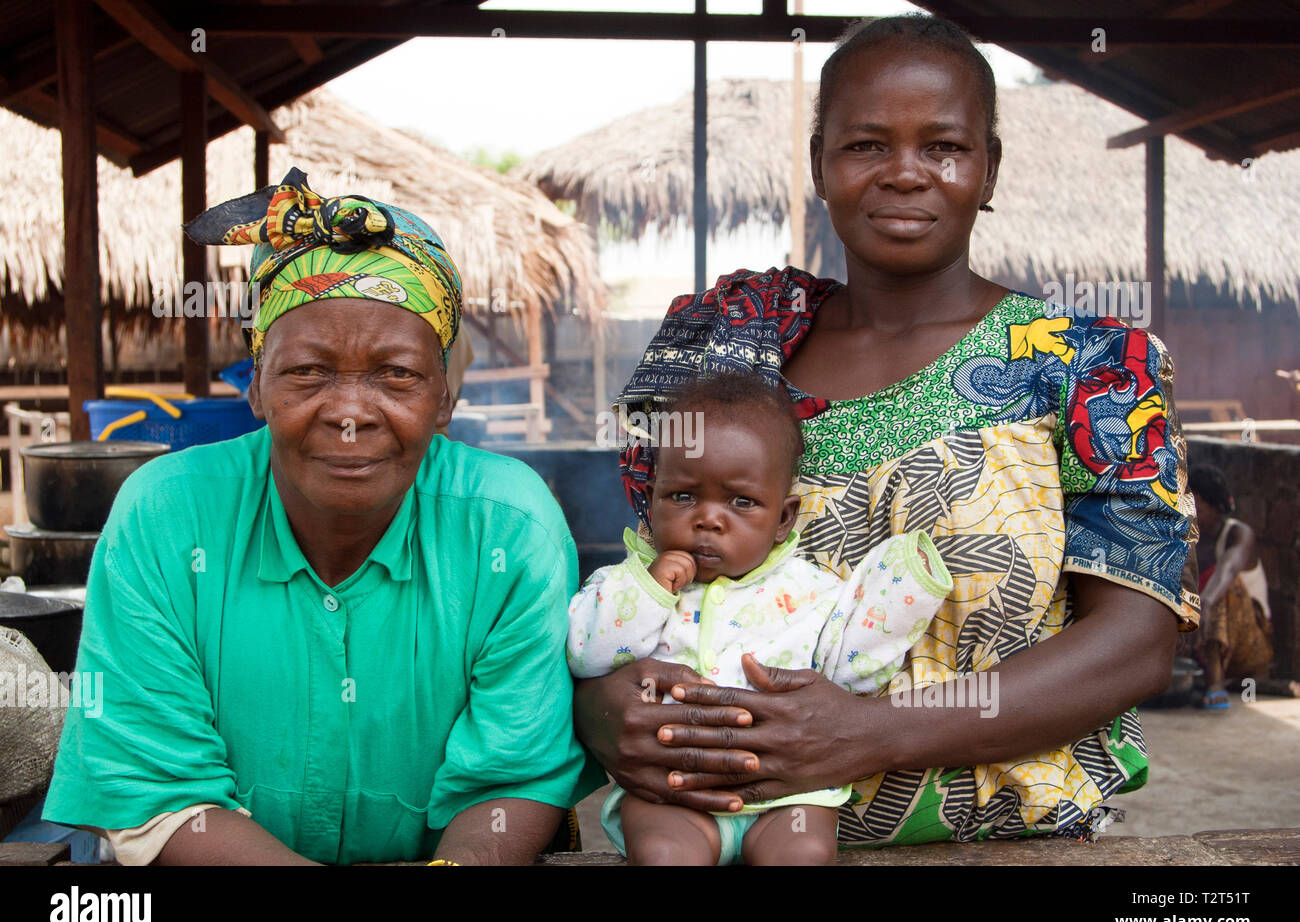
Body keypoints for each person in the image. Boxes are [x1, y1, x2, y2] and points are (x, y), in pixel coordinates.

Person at [576, 14, 1200, 846]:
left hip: (1005, 845)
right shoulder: (722, 340)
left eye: (943, 145)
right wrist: (599, 706)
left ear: (988, 169)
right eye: (866, 145)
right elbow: (644, 577)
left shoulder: (1093, 367)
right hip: (717, 836)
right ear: (819, 165)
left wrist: (871, 735)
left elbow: (1134, 642)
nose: (906, 174)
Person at [42, 169, 602, 865]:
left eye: (396, 374)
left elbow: (514, 776)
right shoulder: (165, 516)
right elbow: (157, 789)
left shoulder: (511, 529)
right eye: (308, 372)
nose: (349, 415)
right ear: (258, 387)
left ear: (444, 399)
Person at [567, 372, 953, 864]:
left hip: (787, 793)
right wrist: (650, 588)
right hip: (673, 789)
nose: (708, 519)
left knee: (804, 851)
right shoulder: (626, 582)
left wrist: (904, 591)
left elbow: (851, 668)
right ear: (652, 495)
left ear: (784, 518)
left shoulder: (811, 590)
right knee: (664, 853)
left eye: (741, 502)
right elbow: (586, 654)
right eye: (682, 496)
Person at [1187, 464, 1272, 709]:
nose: (1191, 512)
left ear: (1216, 506)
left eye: (1198, 506)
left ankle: (1215, 683)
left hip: (1250, 646)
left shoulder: (1238, 534)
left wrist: (1208, 602)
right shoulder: (1189, 540)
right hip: (1200, 644)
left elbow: (1228, 570)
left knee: (1221, 583)